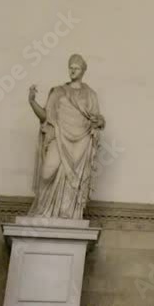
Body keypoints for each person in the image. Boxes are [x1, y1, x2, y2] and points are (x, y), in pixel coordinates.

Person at [26, 54, 105, 219]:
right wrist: (32, 102)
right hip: (59, 136)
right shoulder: (58, 92)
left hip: (82, 138)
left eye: (76, 68)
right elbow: (45, 116)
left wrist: (99, 121)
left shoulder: (90, 94)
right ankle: (42, 212)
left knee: (73, 179)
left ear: (83, 70)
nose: (72, 71)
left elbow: (98, 118)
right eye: (70, 67)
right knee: (47, 172)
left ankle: (66, 213)